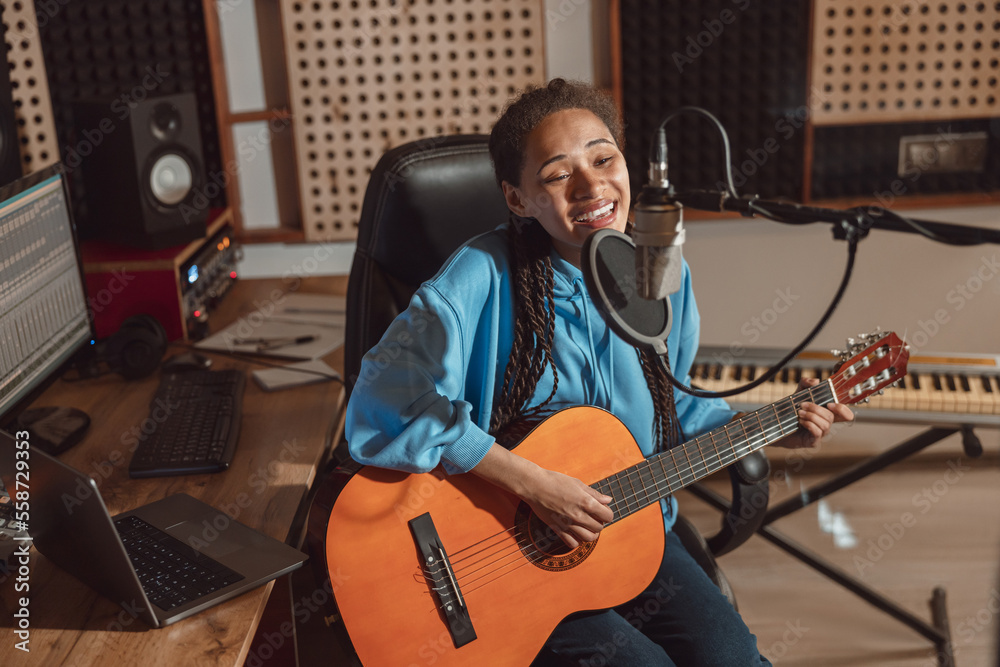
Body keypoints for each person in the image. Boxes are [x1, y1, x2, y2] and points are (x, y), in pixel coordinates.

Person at [344, 78, 854, 665]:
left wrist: (772, 427)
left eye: (604, 158)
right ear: (518, 199)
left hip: (633, 530)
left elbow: (676, 407)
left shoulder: (659, 272)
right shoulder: (478, 276)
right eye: (559, 174)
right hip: (501, 548)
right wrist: (531, 484)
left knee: (733, 658)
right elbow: (382, 393)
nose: (592, 185)